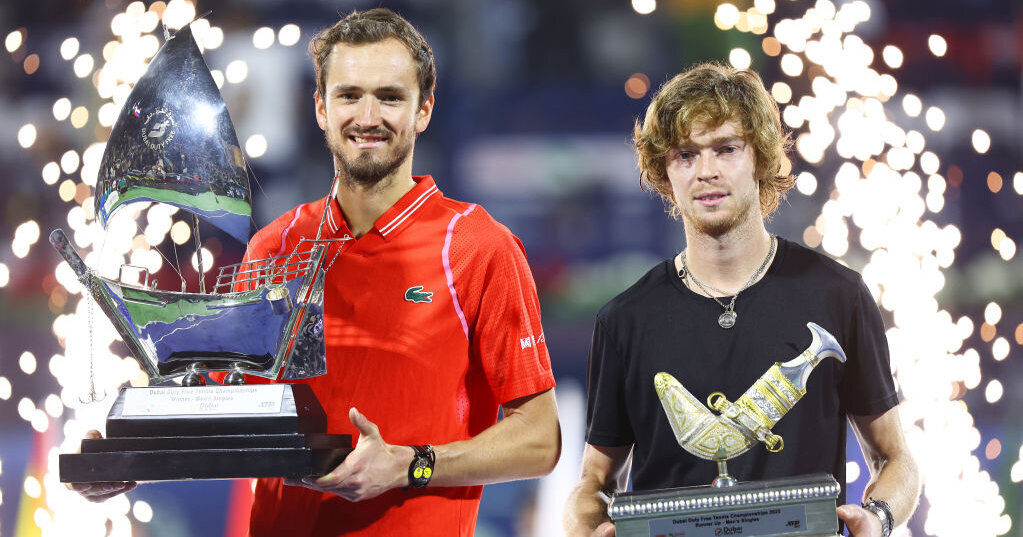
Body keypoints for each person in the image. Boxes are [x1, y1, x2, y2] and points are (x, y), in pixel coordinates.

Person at [74, 9, 561, 536]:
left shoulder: (477, 247)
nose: (367, 116)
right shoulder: (274, 245)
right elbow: (225, 414)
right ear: (321, 109)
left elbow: (541, 440)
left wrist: (411, 464)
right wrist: (128, 458)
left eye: (390, 97)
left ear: (423, 110)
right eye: (349, 95)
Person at [563, 62, 920, 537]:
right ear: (665, 172)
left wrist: (878, 518)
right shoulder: (625, 321)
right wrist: (587, 529)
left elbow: (896, 459)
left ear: (761, 159)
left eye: (726, 149)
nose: (706, 171)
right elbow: (593, 483)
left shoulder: (839, 295)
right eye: (685, 155)